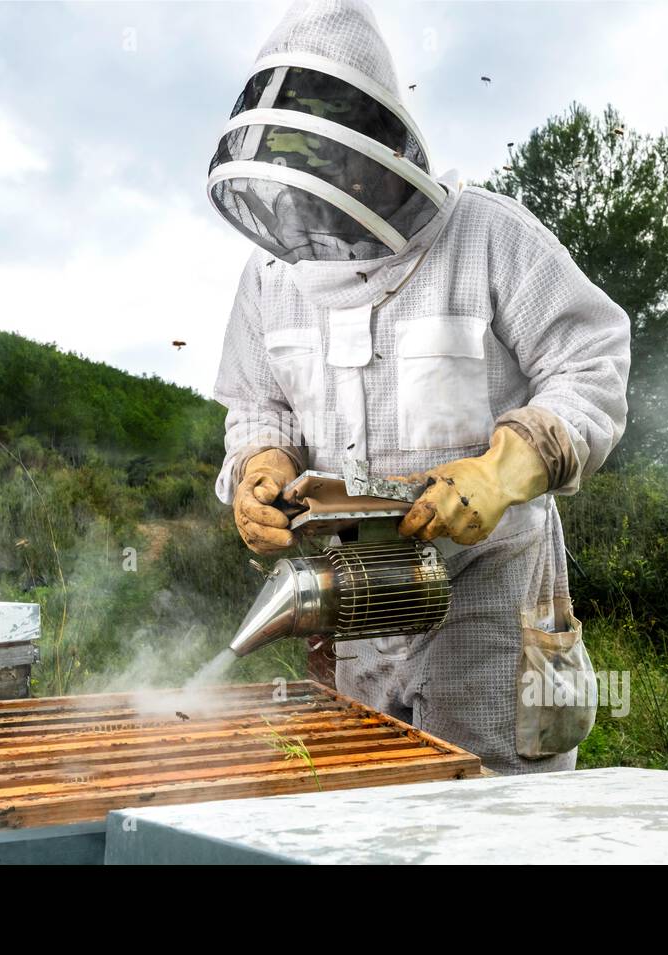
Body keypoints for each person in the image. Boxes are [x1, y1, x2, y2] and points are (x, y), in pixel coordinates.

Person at [209, 0, 630, 773]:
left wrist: (505, 470)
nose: (316, 203)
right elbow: (254, 401)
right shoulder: (270, 279)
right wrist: (257, 464)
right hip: (352, 614)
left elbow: (591, 361)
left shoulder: (490, 237)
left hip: (491, 613)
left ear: (377, 153)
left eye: (330, 171)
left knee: (497, 828)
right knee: (370, 821)